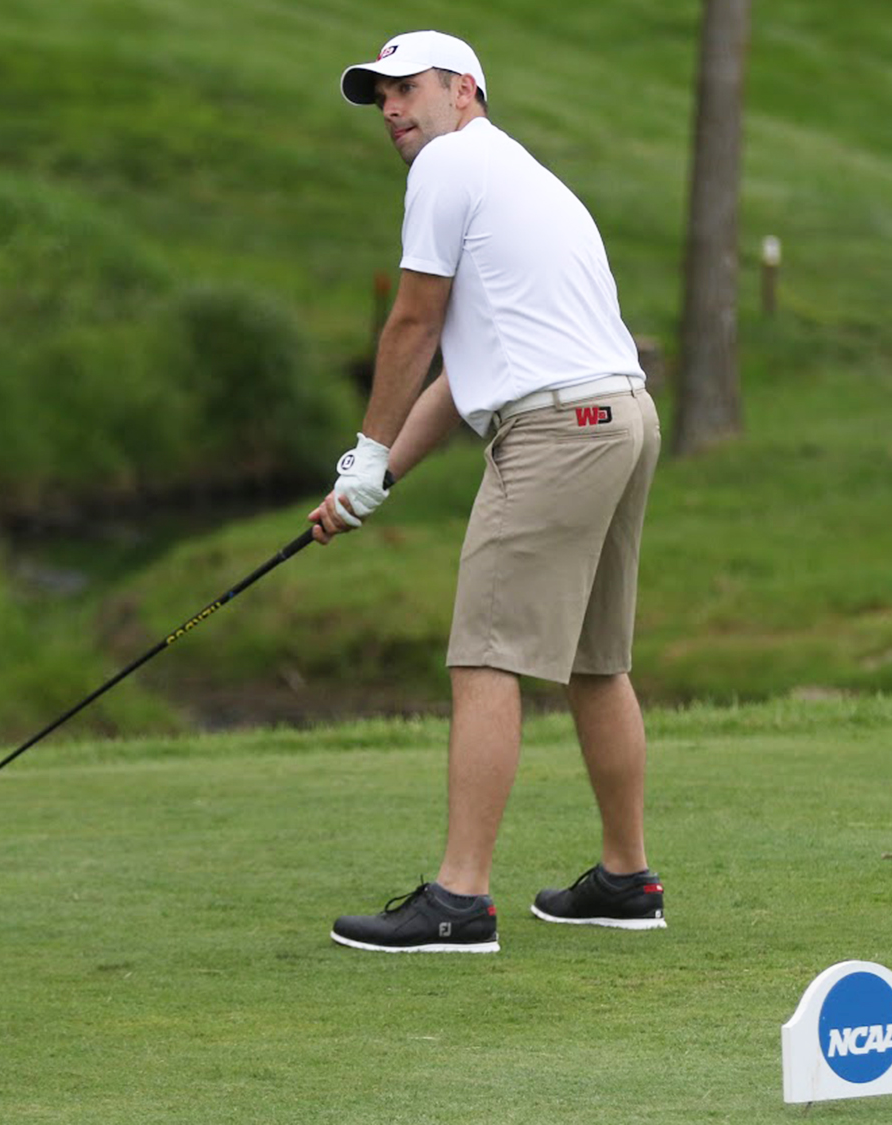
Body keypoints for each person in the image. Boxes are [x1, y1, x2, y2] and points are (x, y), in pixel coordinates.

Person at [311, 30, 665, 954]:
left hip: (560, 430)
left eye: (408, 89)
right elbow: (464, 377)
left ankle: (460, 900)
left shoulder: (450, 165)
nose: (392, 109)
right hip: (619, 416)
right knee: (595, 660)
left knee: (484, 655)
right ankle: (627, 879)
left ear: (464, 90)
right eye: (379, 96)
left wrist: (362, 446)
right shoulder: (515, 175)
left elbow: (413, 321)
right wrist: (374, 478)